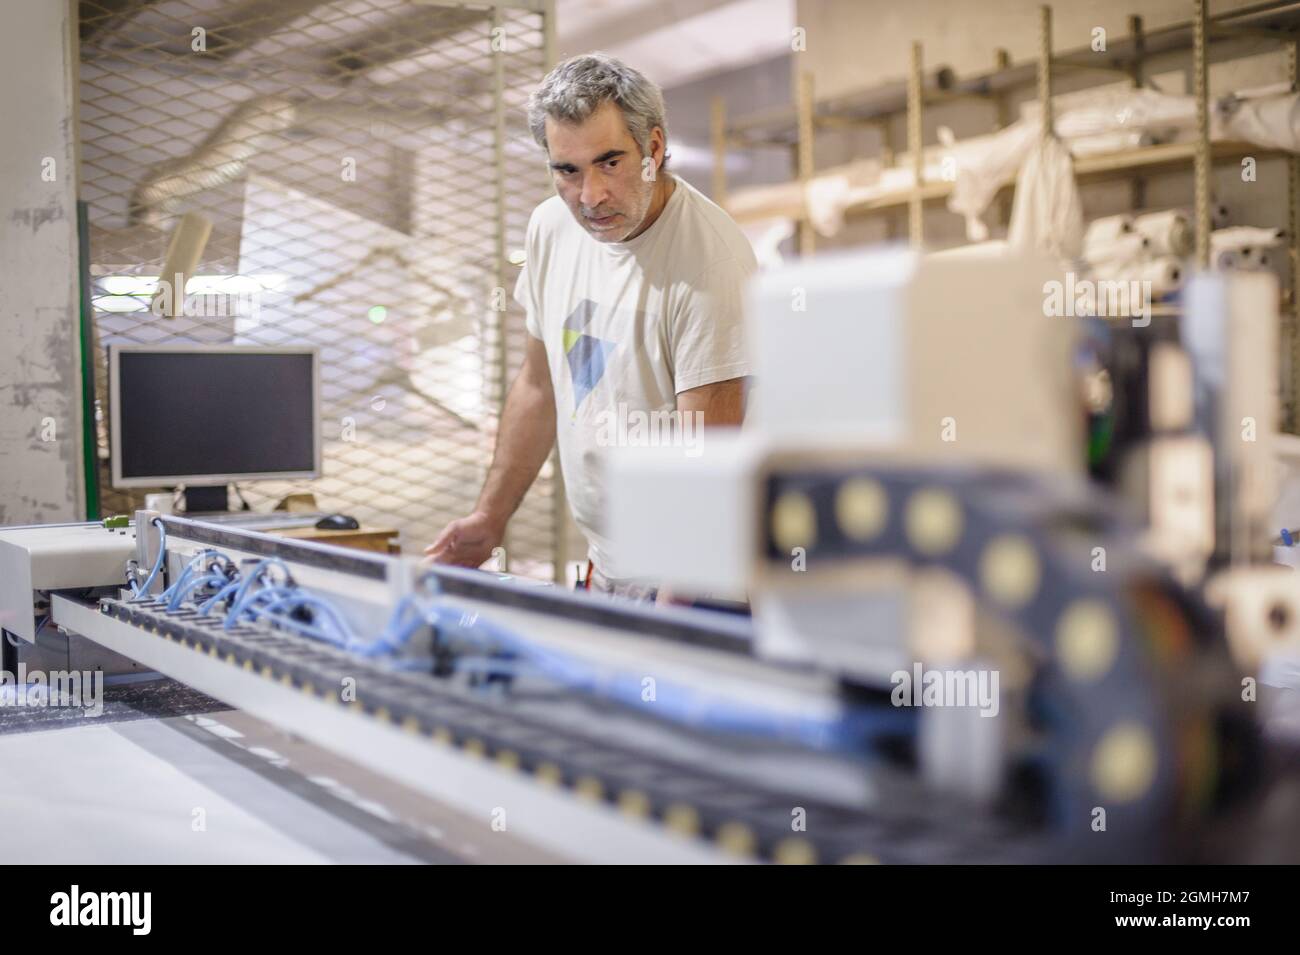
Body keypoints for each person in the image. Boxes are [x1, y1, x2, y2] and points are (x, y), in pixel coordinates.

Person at [426, 53, 757, 600]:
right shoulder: (552, 229)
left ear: (653, 149)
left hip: (697, 580)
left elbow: (709, 464)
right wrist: (489, 518)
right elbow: (538, 388)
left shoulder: (710, 265)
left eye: (610, 162)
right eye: (567, 170)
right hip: (606, 566)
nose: (590, 196)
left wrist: (672, 613)